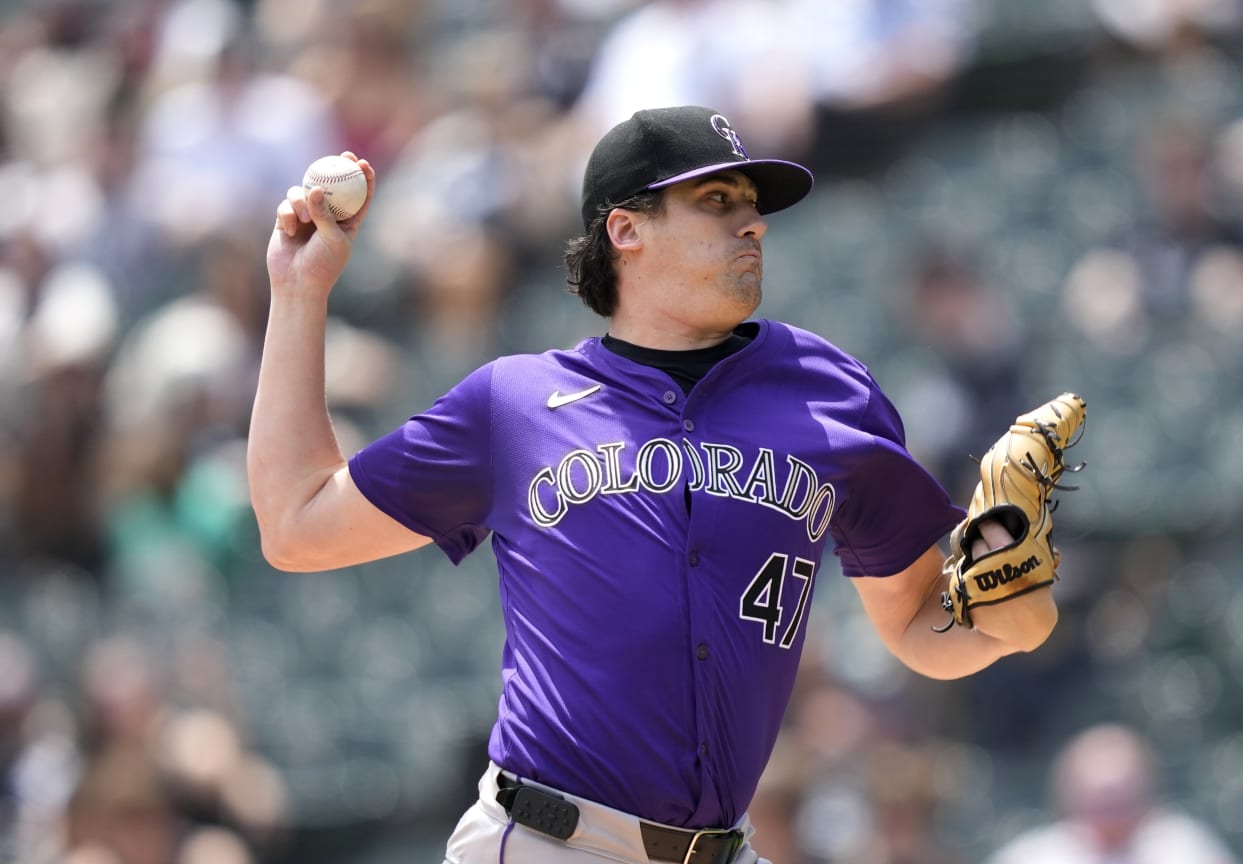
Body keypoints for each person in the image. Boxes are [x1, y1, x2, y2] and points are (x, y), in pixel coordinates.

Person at [249, 105, 1061, 864]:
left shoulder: (829, 392)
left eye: (752, 203)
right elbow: (297, 526)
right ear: (626, 229)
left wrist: (1010, 622)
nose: (751, 221)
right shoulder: (514, 405)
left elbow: (918, 620)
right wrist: (298, 290)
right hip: (550, 844)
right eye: (716, 200)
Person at [985, 724, 1237, 864]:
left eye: (1122, 801)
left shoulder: (1181, 847)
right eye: (1101, 803)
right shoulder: (1035, 855)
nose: (1112, 815)